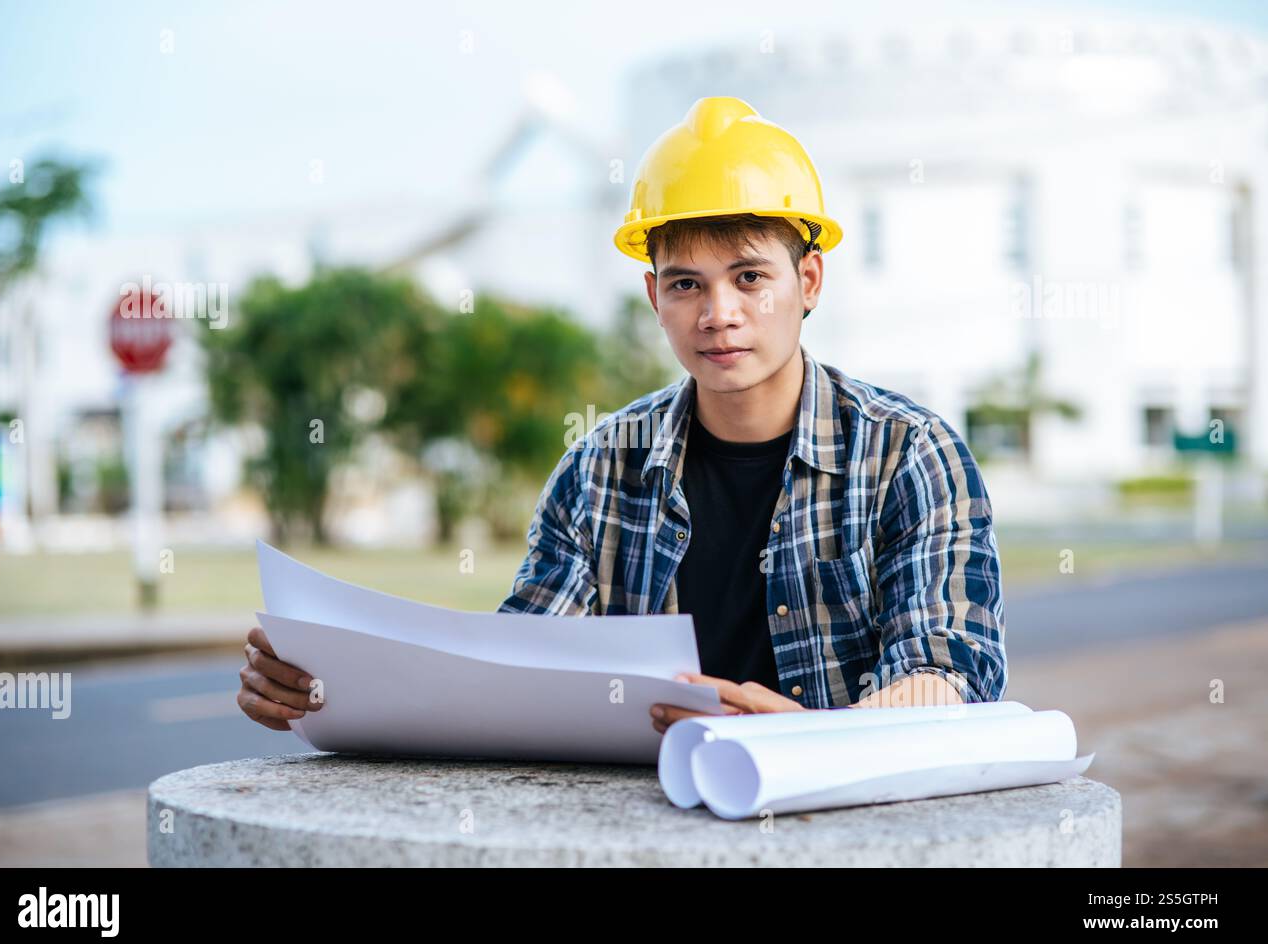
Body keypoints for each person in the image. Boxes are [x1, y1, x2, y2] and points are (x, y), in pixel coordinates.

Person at [237, 96, 1007, 736]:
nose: (719, 314)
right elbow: (522, 669)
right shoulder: (602, 467)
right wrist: (332, 688)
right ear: (654, 298)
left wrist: (811, 741)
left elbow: (947, 675)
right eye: (685, 285)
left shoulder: (910, 456)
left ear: (808, 279)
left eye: (748, 277)